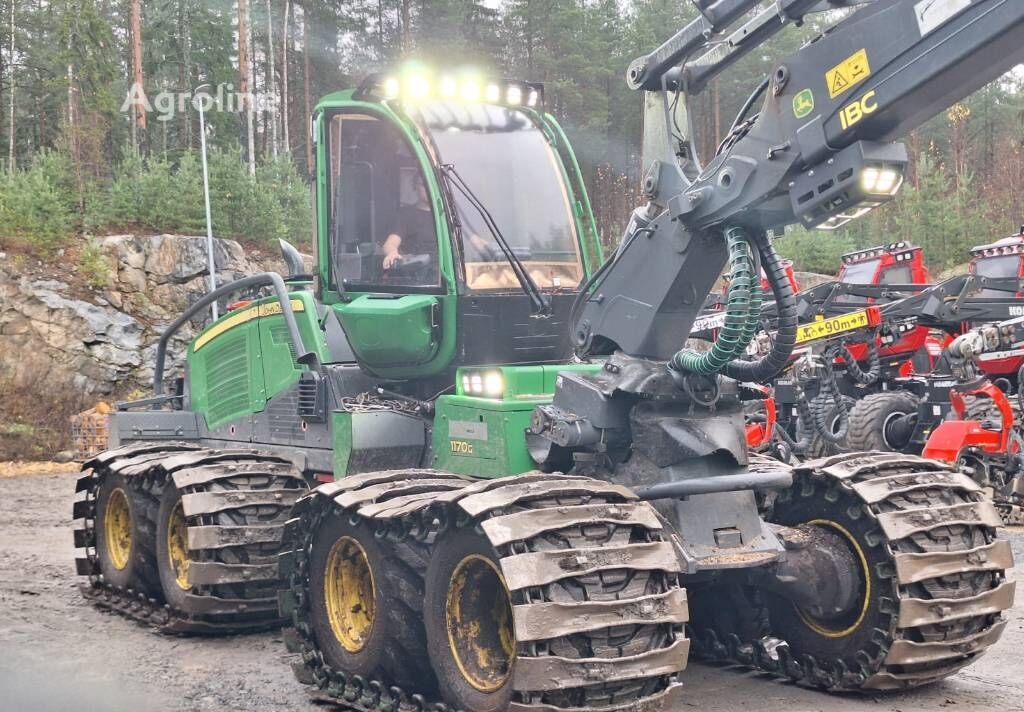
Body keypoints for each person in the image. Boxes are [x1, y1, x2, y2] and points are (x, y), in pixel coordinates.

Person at [382, 177, 436, 271]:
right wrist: (392, 253)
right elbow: (390, 244)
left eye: (431, 184)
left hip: (446, 275)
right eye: (424, 185)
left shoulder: (447, 216)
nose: (429, 188)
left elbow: (469, 237)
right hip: (417, 275)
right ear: (415, 187)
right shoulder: (406, 214)